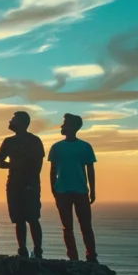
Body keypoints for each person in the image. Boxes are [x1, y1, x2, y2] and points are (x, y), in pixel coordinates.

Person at [49, 113, 99, 263]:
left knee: (85, 226)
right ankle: (73, 257)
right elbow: (53, 169)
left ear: (73, 127)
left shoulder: (85, 147)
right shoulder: (56, 147)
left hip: (80, 191)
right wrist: (54, 188)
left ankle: (91, 256)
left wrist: (92, 190)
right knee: (68, 227)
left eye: (65, 124)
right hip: (63, 191)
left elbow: (90, 169)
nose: (62, 126)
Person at [0, 111, 45, 258]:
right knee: (19, 219)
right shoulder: (8, 141)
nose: (10, 121)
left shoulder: (34, 141)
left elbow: (38, 165)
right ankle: (22, 250)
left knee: (32, 218)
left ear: (22, 123)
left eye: (13, 119)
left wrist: (31, 182)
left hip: (30, 185)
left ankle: (37, 251)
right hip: (14, 184)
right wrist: (13, 165)